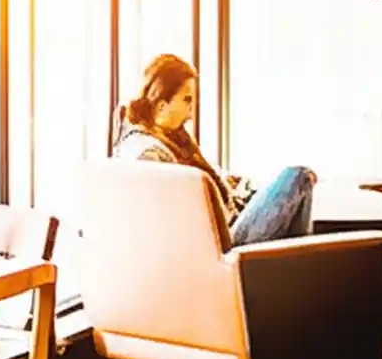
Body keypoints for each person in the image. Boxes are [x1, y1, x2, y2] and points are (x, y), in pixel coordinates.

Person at [112, 53, 317, 246]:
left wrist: (232, 187)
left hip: (229, 226)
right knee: (298, 176)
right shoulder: (147, 154)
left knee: (292, 192)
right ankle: (293, 269)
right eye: (187, 100)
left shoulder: (175, 141)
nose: (191, 113)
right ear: (162, 104)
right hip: (224, 244)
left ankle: (291, 270)